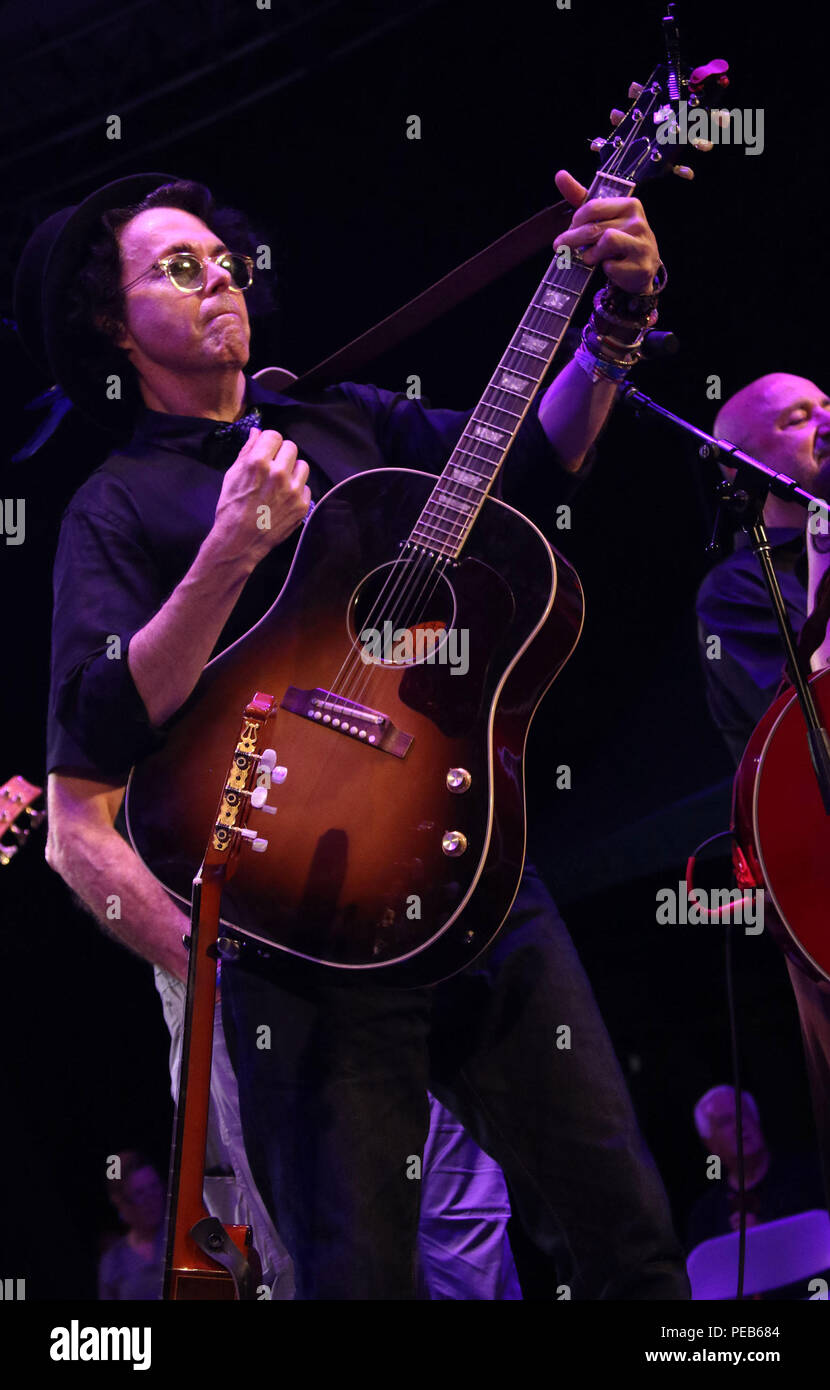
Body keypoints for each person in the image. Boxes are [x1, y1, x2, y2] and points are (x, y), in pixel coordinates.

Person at [22, 169, 690, 1299]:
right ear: (110, 324)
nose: (217, 276)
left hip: (473, 875)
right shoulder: (117, 503)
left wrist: (615, 321)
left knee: (627, 1235)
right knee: (359, 1279)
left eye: (222, 256)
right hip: (299, 940)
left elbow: (529, 462)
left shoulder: (349, 417)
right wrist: (229, 547)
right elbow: (101, 719)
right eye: (175, 268)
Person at [696, 373, 830, 1210]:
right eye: (800, 415)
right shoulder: (743, 591)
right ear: (742, 463)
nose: (827, 419)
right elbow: (791, 731)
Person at [687, 1085, 824, 1250]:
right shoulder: (706, 1215)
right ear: (710, 1145)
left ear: (756, 1117)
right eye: (725, 1122)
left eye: (743, 1113)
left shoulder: (811, 1176)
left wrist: (765, 1237)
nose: (739, 1126)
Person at [98, 1151, 165, 1299]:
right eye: (140, 1193)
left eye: (154, 1187)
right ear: (123, 1204)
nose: (151, 1199)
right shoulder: (114, 1260)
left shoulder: (181, 1238)